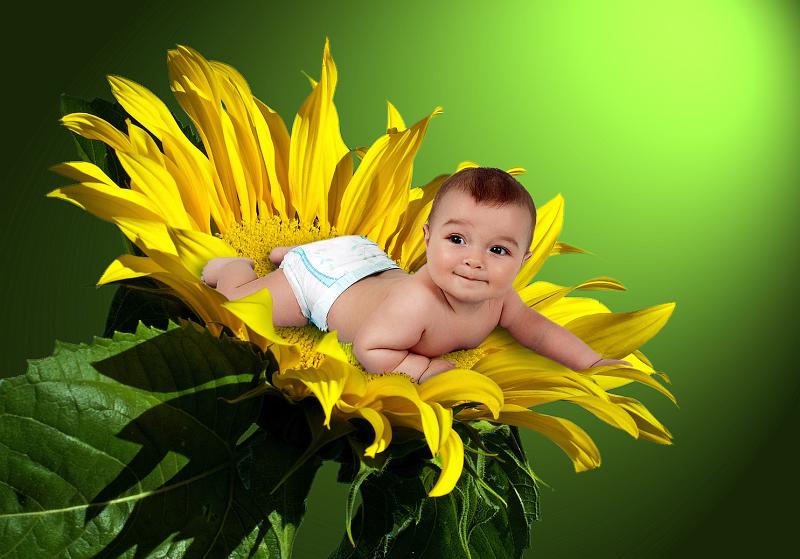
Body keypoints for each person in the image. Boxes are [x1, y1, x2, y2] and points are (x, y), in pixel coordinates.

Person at [202, 167, 630, 382]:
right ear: (426, 238)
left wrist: (588, 361)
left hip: (370, 263)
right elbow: (371, 349)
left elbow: (538, 331)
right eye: (457, 240)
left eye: (498, 249)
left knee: (309, 258)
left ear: (522, 261)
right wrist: (421, 370)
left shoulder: (500, 301)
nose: (474, 260)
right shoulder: (416, 304)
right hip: (327, 286)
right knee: (243, 307)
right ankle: (236, 269)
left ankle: (292, 250)